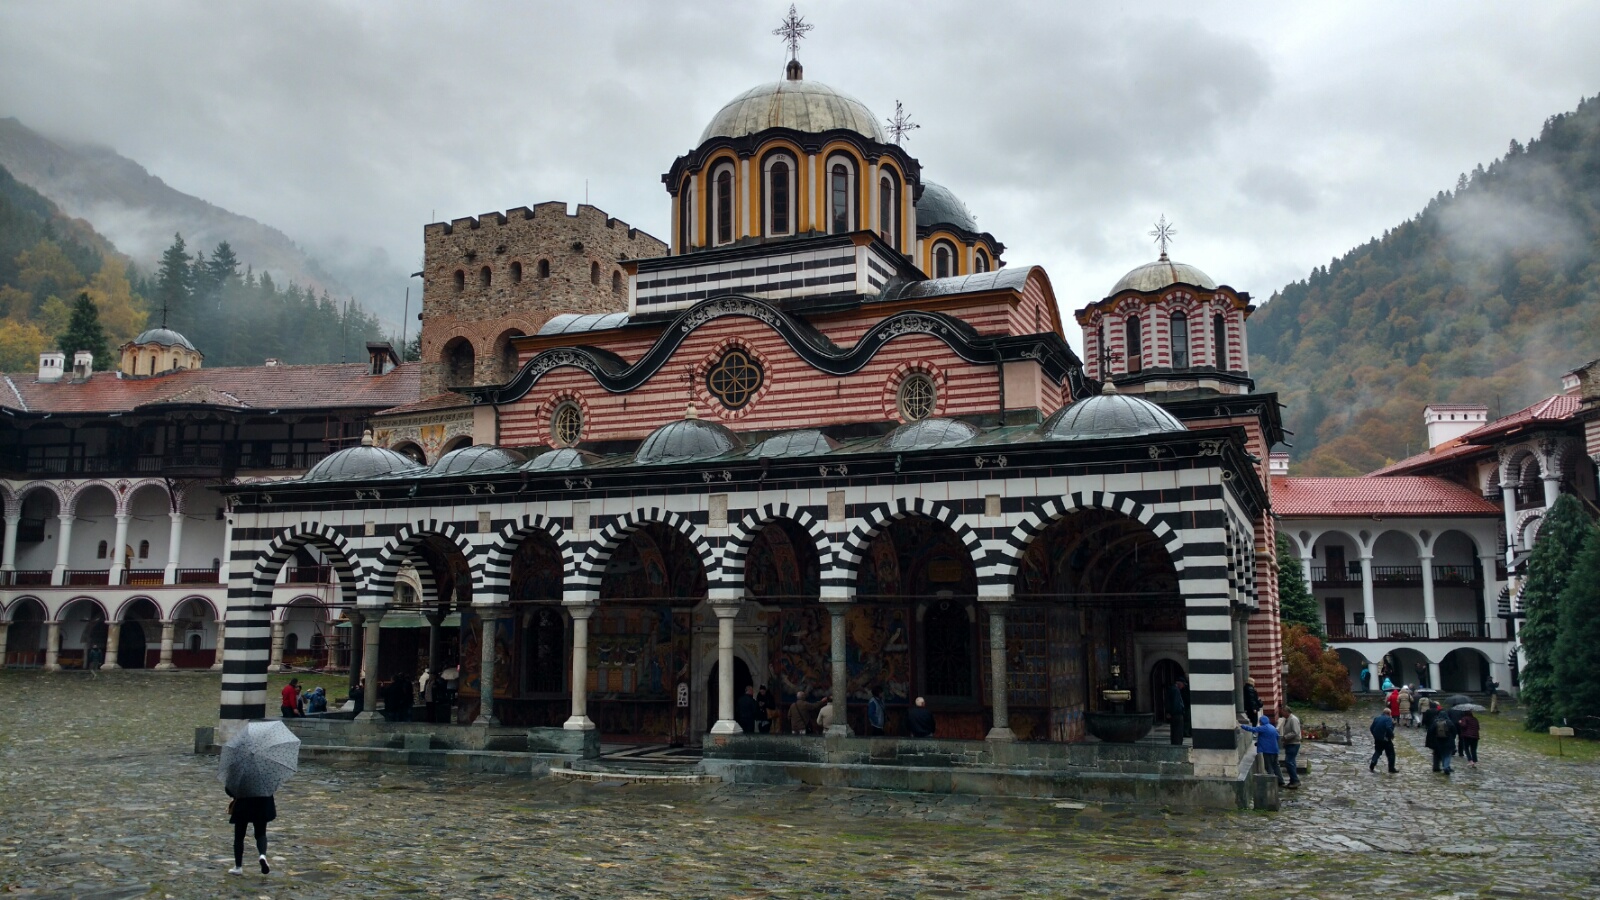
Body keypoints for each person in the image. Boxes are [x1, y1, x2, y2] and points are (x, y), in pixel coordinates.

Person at [225, 786, 275, 876]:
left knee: (239, 836)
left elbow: (229, 789)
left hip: (243, 803)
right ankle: (262, 855)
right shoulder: (265, 774)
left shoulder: (239, 773)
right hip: (262, 803)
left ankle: (238, 867)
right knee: (261, 833)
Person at [1239, 712, 1285, 787]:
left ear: (1262, 722)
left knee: (1268, 766)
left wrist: (1242, 726)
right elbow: (1275, 737)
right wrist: (1259, 743)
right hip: (1275, 750)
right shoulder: (1272, 727)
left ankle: (1272, 782)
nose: (1259, 723)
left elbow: (1252, 729)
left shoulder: (1263, 728)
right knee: (1276, 765)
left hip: (1267, 751)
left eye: (1260, 721)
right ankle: (1281, 781)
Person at [1426, 702, 1456, 774]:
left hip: (1438, 741)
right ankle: (1446, 766)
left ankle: (1444, 766)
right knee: (1447, 755)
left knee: (1442, 754)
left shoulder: (1435, 722)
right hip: (1449, 741)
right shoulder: (1449, 722)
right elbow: (1454, 731)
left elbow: (1431, 731)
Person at [1279, 707, 1303, 788]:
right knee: (1291, 762)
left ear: (1286, 712)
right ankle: (1292, 781)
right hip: (1290, 743)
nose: (1282, 714)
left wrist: (1285, 737)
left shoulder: (1293, 719)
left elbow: (1295, 732)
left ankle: (1295, 781)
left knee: (1289, 762)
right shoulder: (1288, 719)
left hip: (1294, 743)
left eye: (1282, 712)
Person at [1369, 706, 1397, 773]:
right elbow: (1388, 728)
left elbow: (1371, 728)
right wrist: (1391, 735)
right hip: (1385, 739)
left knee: (1378, 751)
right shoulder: (1388, 719)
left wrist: (1375, 735)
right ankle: (1391, 768)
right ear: (1389, 713)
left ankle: (1373, 762)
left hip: (1378, 739)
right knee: (1391, 754)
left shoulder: (1377, 718)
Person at [1165, 679, 1188, 746]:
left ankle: (1176, 744)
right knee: (1177, 732)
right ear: (1179, 683)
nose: (1183, 687)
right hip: (1177, 714)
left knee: (1175, 732)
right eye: (1183, 685)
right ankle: (1177, 745)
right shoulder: (1175, 690)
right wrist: (1173, 712)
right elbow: (1176, 703)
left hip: (1175, 714)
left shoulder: (1172, 689)